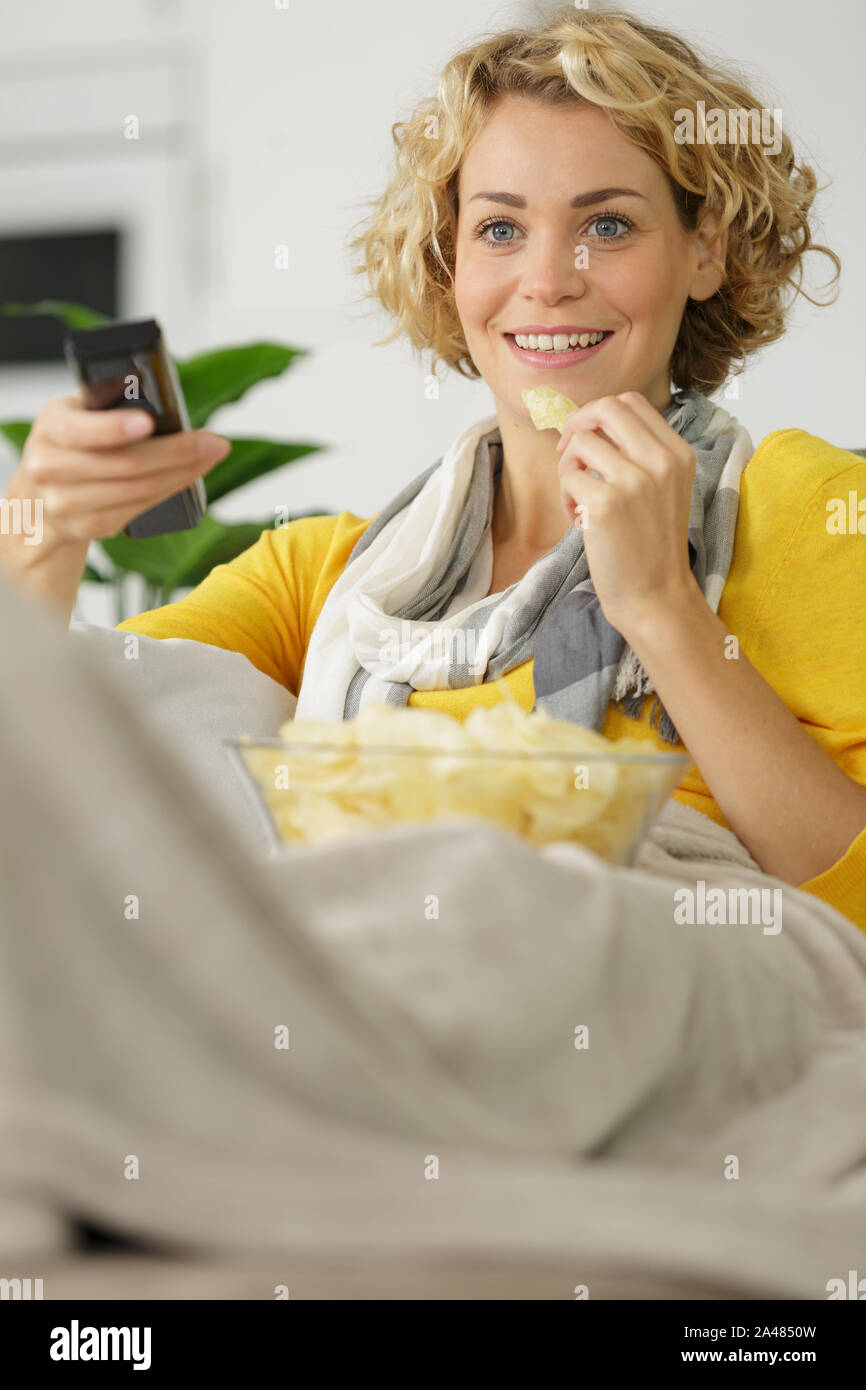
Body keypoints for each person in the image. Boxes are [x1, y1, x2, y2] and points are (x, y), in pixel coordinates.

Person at [2, 6, 865, 933]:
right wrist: (38, 536)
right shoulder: (325, 583)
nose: (548, 279)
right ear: (446, 261)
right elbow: (61, 765)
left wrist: (662, 606)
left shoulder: (806, 507)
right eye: (499, 230)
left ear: (706, 250)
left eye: (607, 225)